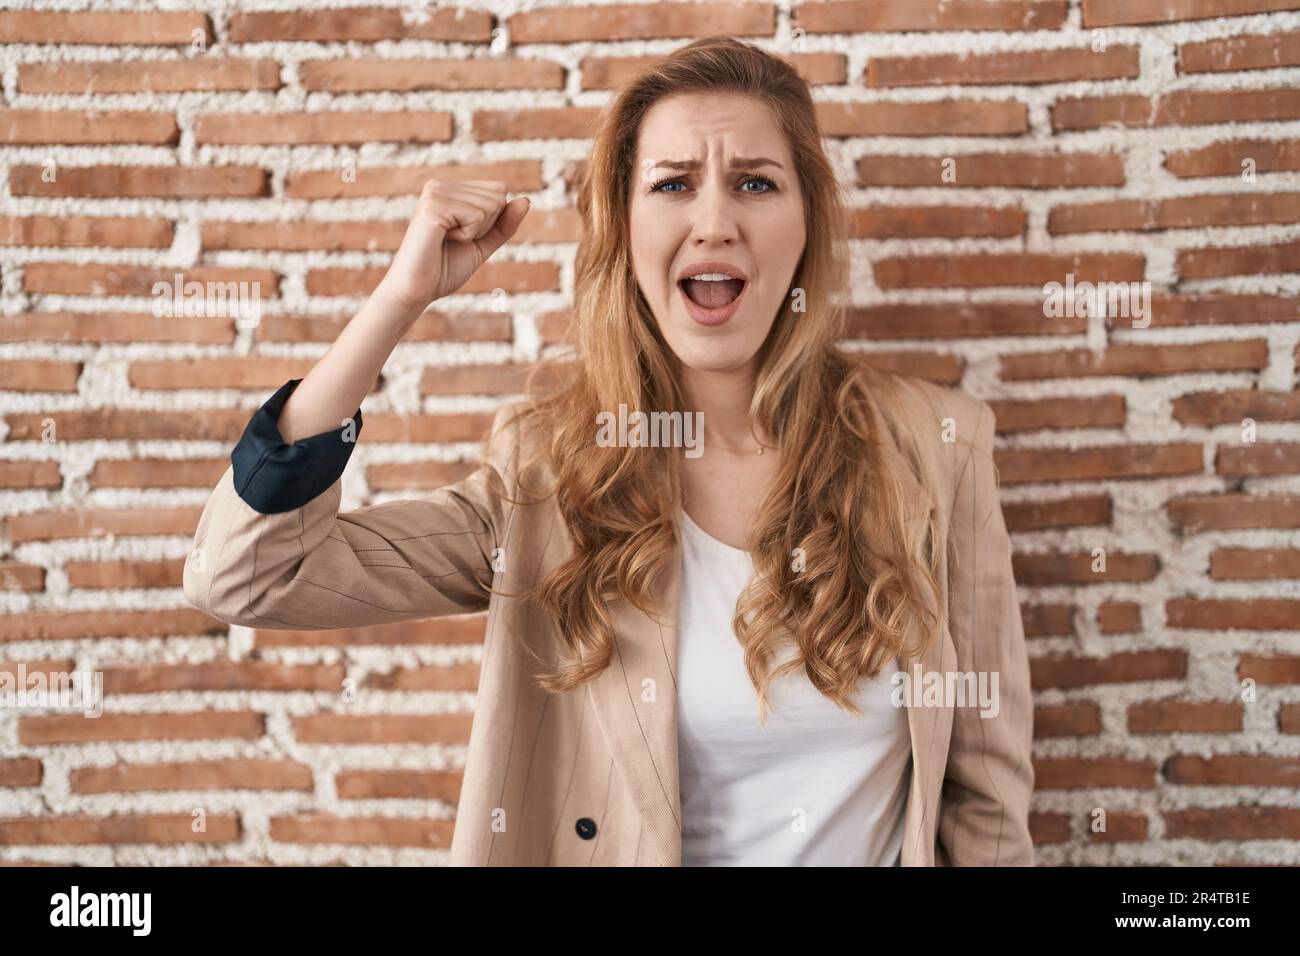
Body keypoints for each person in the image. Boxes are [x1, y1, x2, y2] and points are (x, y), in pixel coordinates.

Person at [184, 36, 1034, 867]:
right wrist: (400, 300)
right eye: (672, 184)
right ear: (624, 231)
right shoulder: (546, 476)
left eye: (755, 183)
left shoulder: (936, 444)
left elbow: (986, 790)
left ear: (807, 223)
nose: (714, 223)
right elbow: (248, 574)